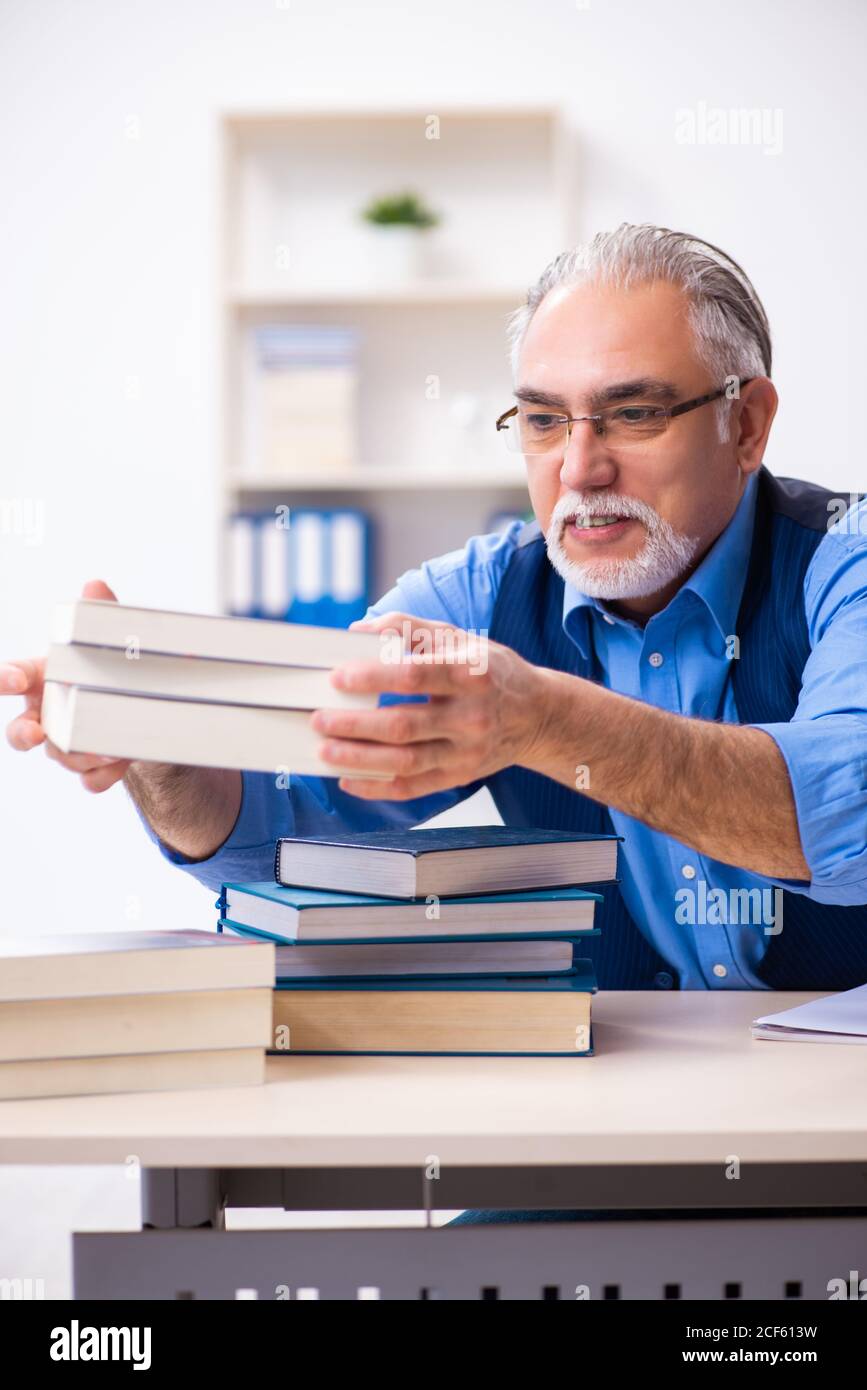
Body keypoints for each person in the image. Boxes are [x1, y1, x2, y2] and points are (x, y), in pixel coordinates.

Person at [5, 222, 867, 994]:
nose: (577, 469)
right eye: (540, 420)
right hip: (614, 1106)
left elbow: (846, 814)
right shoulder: (475, 598)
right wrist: (168, 747)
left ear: (747, 425)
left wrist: (542, 720)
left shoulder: (843, 561)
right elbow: (278, 838)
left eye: (631, 414)